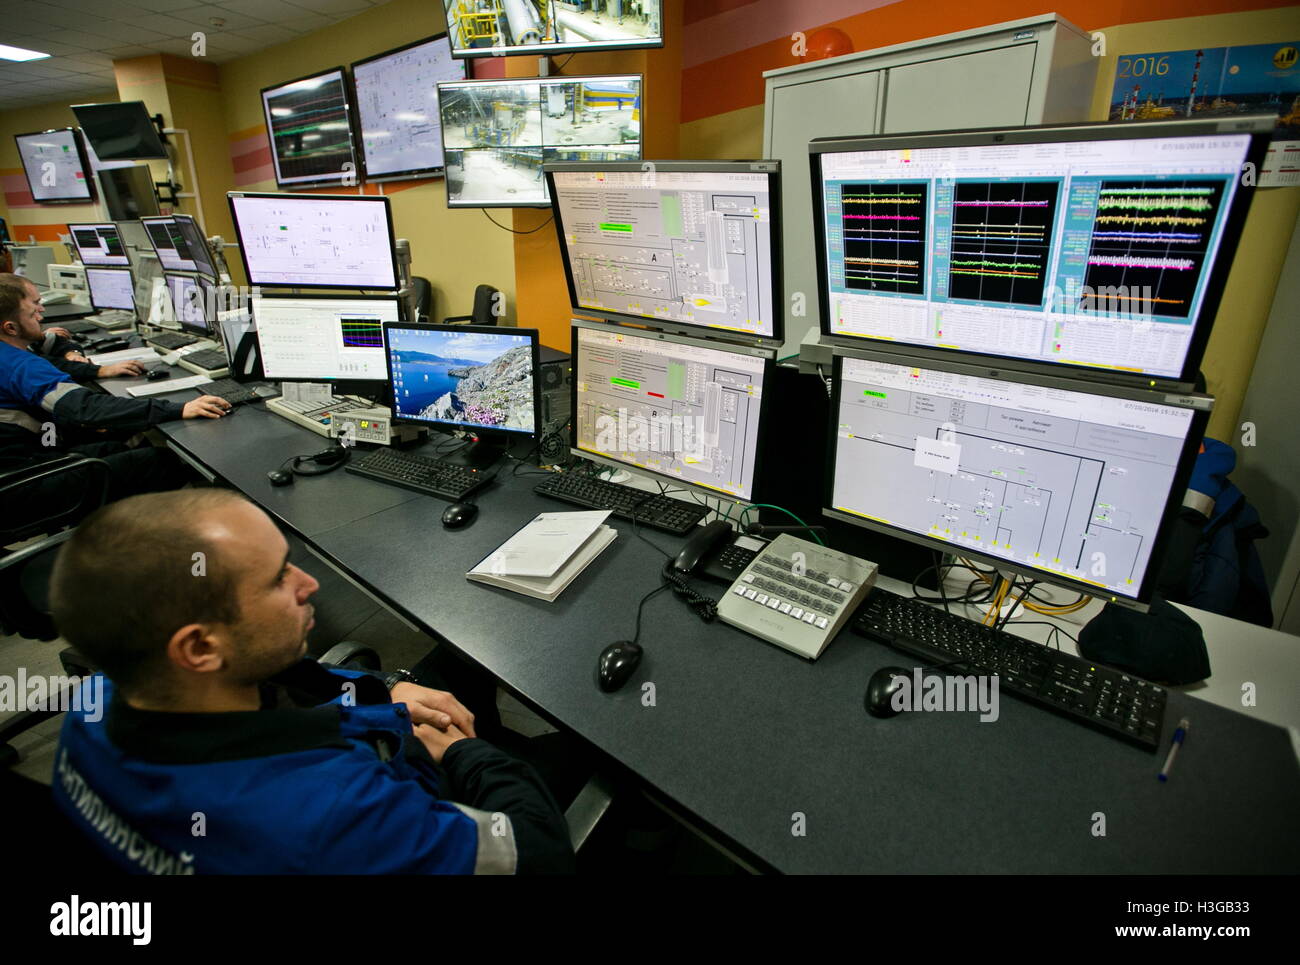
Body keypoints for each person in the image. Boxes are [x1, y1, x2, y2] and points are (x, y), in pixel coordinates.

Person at [50, 489, 575, 874]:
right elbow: (535, 855)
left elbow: (287, 683)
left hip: (362, 768)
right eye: (279, 577)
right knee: (583, 745)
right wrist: (467, 753)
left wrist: (385, 691)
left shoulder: (98, 701)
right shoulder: (331, 818)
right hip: (420, 807)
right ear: (200, 648)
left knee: (458, 660)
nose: (310, 583)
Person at [0, 278, 228, 512]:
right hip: (22, 483)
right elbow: (85, 408)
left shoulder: (10, 351)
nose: (41, 313)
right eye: (33, 310)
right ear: (10, 327)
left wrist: (65, 349)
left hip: (21, 465)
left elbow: (51, 344)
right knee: (161, 463)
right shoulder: (19, 365)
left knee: (115, 447)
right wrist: (179, 409)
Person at [0, 273, 146, 381]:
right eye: (35, 304)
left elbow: (52, 341)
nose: (42, 311)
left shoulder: (14, 340)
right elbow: (45, 365)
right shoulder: (15, 360)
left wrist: (72, 353)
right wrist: (102, 370)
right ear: (11, 328)